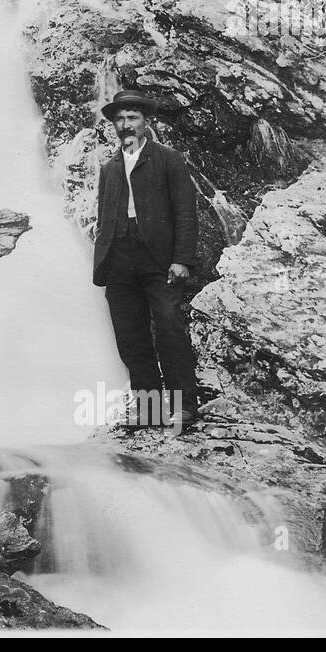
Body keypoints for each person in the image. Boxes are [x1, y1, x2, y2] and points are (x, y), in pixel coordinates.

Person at [92, 90, 200, 429]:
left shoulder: (168, 159)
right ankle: (149, 408)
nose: (126, 125)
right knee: (131, 337)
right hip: (119, 260)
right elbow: (103, 216)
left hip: (158, 259)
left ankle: (184, 406)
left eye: (133, 118)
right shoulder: (109, 168)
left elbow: (185, 212)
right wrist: (105, 260)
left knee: (169, 328)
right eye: (120, 120)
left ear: (145, 122)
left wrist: (181, 259)